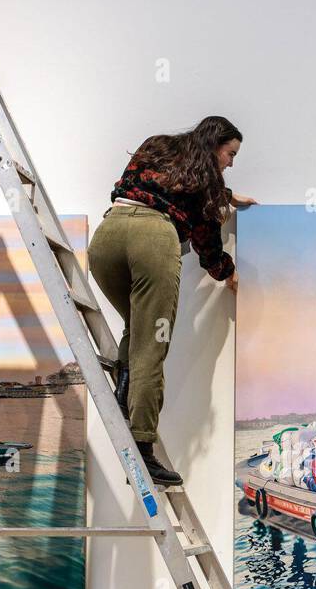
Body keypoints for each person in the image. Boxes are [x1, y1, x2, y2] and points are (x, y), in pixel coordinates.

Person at [89, 115, 255, 486]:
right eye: (230, 154)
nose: (231, 162)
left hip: (107, 237)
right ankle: (143, 450)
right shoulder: (206, 181)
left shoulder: (157, 146)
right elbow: (206, 239)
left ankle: (122, 394)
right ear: (215, 145)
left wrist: (225, 194)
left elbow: (157, 185)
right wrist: (227, 271)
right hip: (153, 239)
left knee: (138, 327)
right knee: (153, 345)